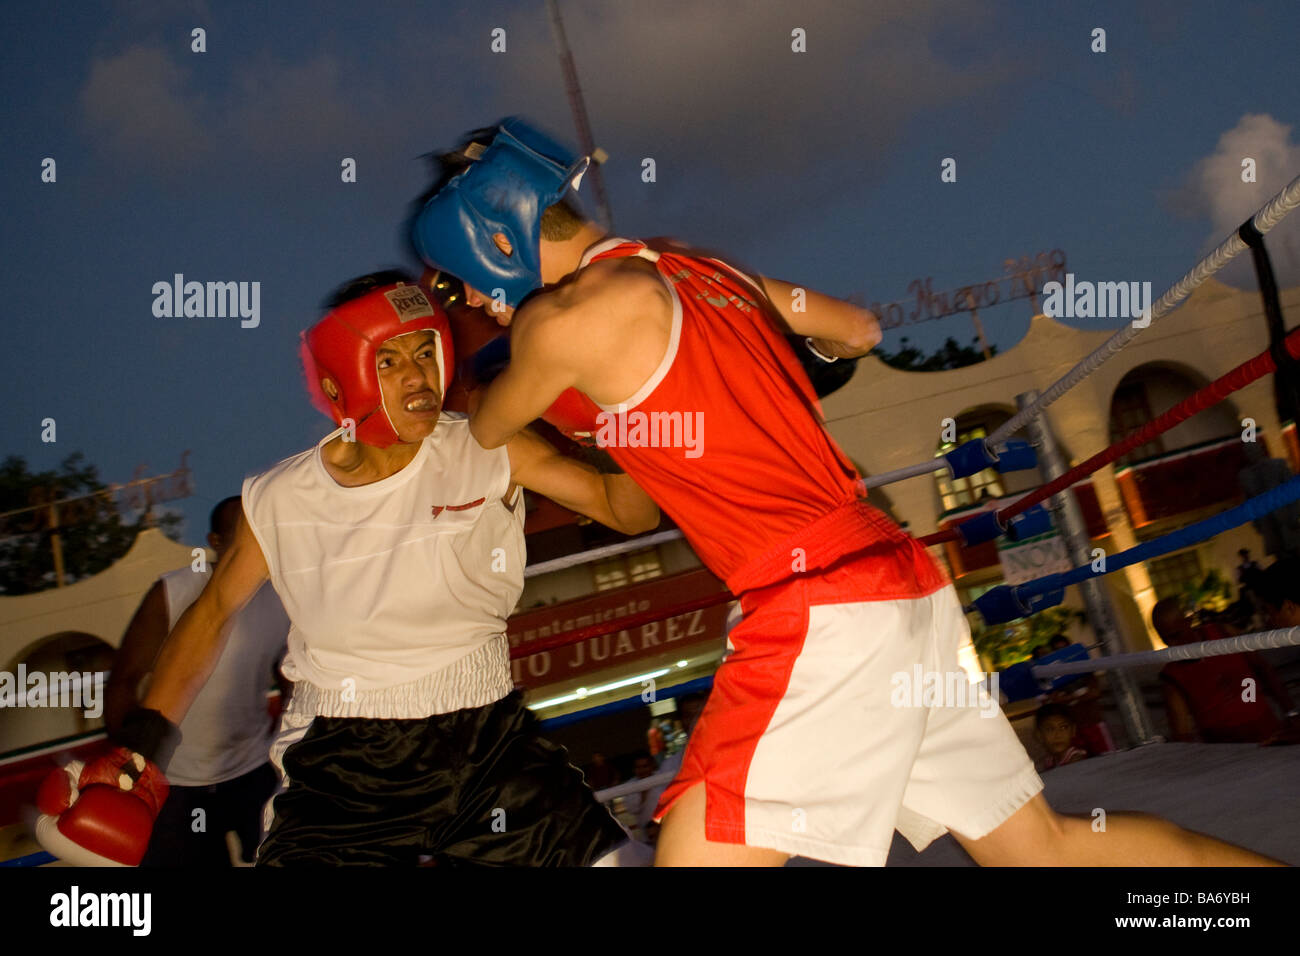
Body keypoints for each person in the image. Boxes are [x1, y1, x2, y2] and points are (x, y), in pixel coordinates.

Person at [407, 116, 1283, 866]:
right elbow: (857, 330)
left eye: (457, 284)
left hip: (816, 607)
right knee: (1043, 849)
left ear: (493, 240)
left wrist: (526, 414)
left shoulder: (561, 325)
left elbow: (473, 433)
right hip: (898, 585)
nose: (474, 304)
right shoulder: (707, 272)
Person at [35, 271, 660, 867]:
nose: (417, 377)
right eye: (389, 361)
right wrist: (141, 750)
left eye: (424, 353)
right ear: (341, 382)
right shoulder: (282, 497)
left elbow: (625, 514)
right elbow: (213, 612)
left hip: (487, 740)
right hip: (345, 760)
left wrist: (613, 420)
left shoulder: (483, 444)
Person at [102, 495, 290, 866]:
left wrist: (290, 752)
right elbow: (123, 681)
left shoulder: (280, 596)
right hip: (177, 783)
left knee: (289, 857)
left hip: (253, 769)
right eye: (242, 533)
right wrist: (132, 770)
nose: (255, 542)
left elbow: (291, 681)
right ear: (215, 542)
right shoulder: (171, 593)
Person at [1153, 598, 1294, 745]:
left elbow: (1264, 670)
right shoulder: (1172, 677)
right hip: (1227, 749)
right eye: (1165, 639)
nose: (1171, 643)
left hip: (1268, 730)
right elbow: (1182, 735)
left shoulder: (1224, 633)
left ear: (1188, 621)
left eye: (1175, 635)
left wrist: (1291, 712)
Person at [1033, 704, 1088, 771]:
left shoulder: (1076, 758)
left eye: (1063, 727)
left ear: (1073, 730)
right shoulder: (1050, 760)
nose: (1058, 735)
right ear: (1040, 735)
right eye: (1050, 729)